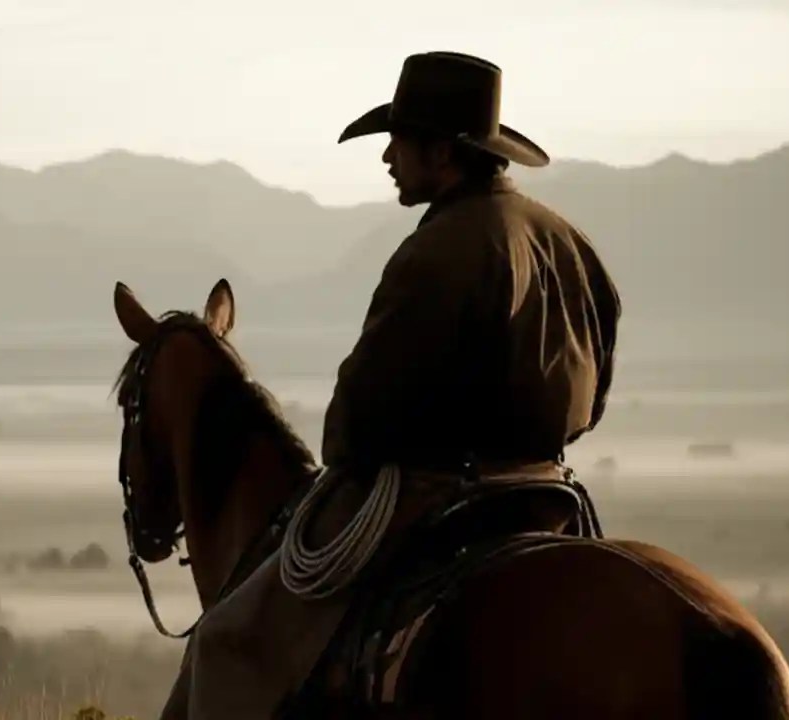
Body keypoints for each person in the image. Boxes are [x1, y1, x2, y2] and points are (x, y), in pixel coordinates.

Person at [158, 50, 622, 719]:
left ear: (442, 153)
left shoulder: (437, 251)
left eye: (398, 143)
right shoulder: (570, 243)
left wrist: (346, 447)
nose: (386, 161)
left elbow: (362, 416)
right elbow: (596, 391)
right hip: (544, 489)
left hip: (436, 494)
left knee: (227, 642)